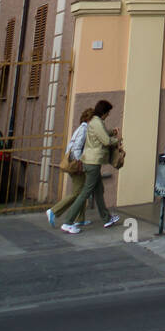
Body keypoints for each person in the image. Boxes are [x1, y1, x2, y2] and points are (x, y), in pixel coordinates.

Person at [60, 99, 122, 235]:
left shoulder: (95, 122)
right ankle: (68, 222)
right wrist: (117, 140)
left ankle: (107, 218)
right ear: (104, 112)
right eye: (108, 112)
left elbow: (102, 133)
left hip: (91, 162)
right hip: (92, 163)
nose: (108, 115)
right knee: (85, 192)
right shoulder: (97, 122)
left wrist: (112, 132)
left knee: (99, 190)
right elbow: (105, 141)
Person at [46, 107, 95, 226]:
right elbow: (77, 147)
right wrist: (79, 162)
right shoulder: (84, 129)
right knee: (78, 192)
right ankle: (54, 211)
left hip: (74, 162)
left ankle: (80, 219)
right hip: (76, 163)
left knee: (82, 191)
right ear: (89, 119)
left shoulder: (82, 128)